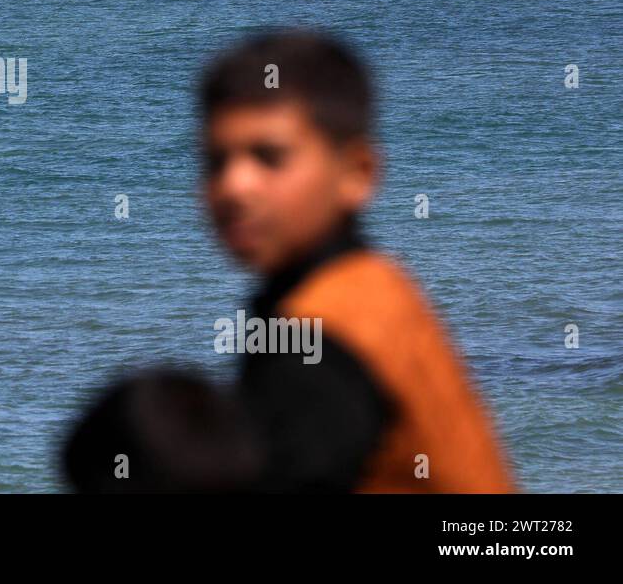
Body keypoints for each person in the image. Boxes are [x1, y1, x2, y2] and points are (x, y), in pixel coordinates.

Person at [64, 29, 515, 493]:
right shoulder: (377, 284)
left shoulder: (315, 347)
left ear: (358, 172)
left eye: (269, 157)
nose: (235, 186)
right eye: (215, 161)